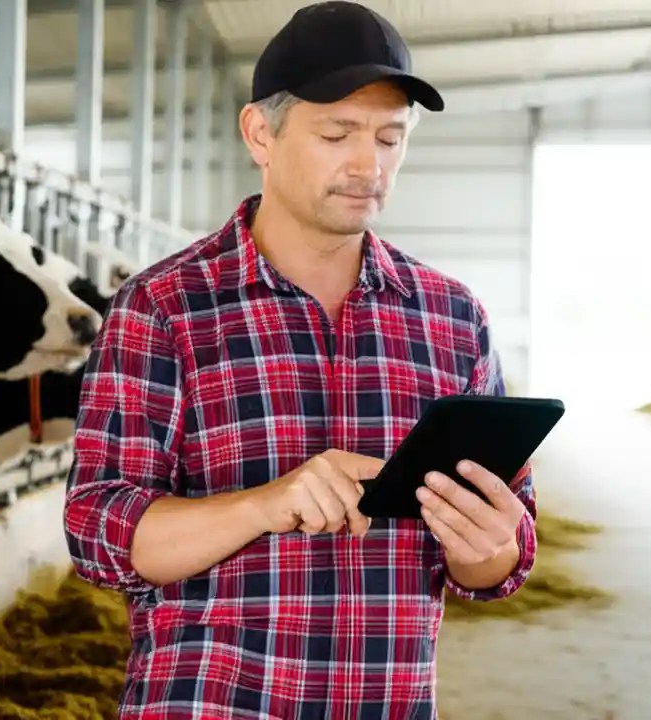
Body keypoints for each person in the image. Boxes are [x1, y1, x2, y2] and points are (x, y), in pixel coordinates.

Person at [62, 2, 537, 718]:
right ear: (261, 133)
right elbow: (99, 532)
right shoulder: (164, 308)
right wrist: (265, 504)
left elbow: (497, 563)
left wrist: (490, 542)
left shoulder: (452, 317)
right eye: (336, 132)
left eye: (389, 137)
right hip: (213, 702)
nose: (366, 163)